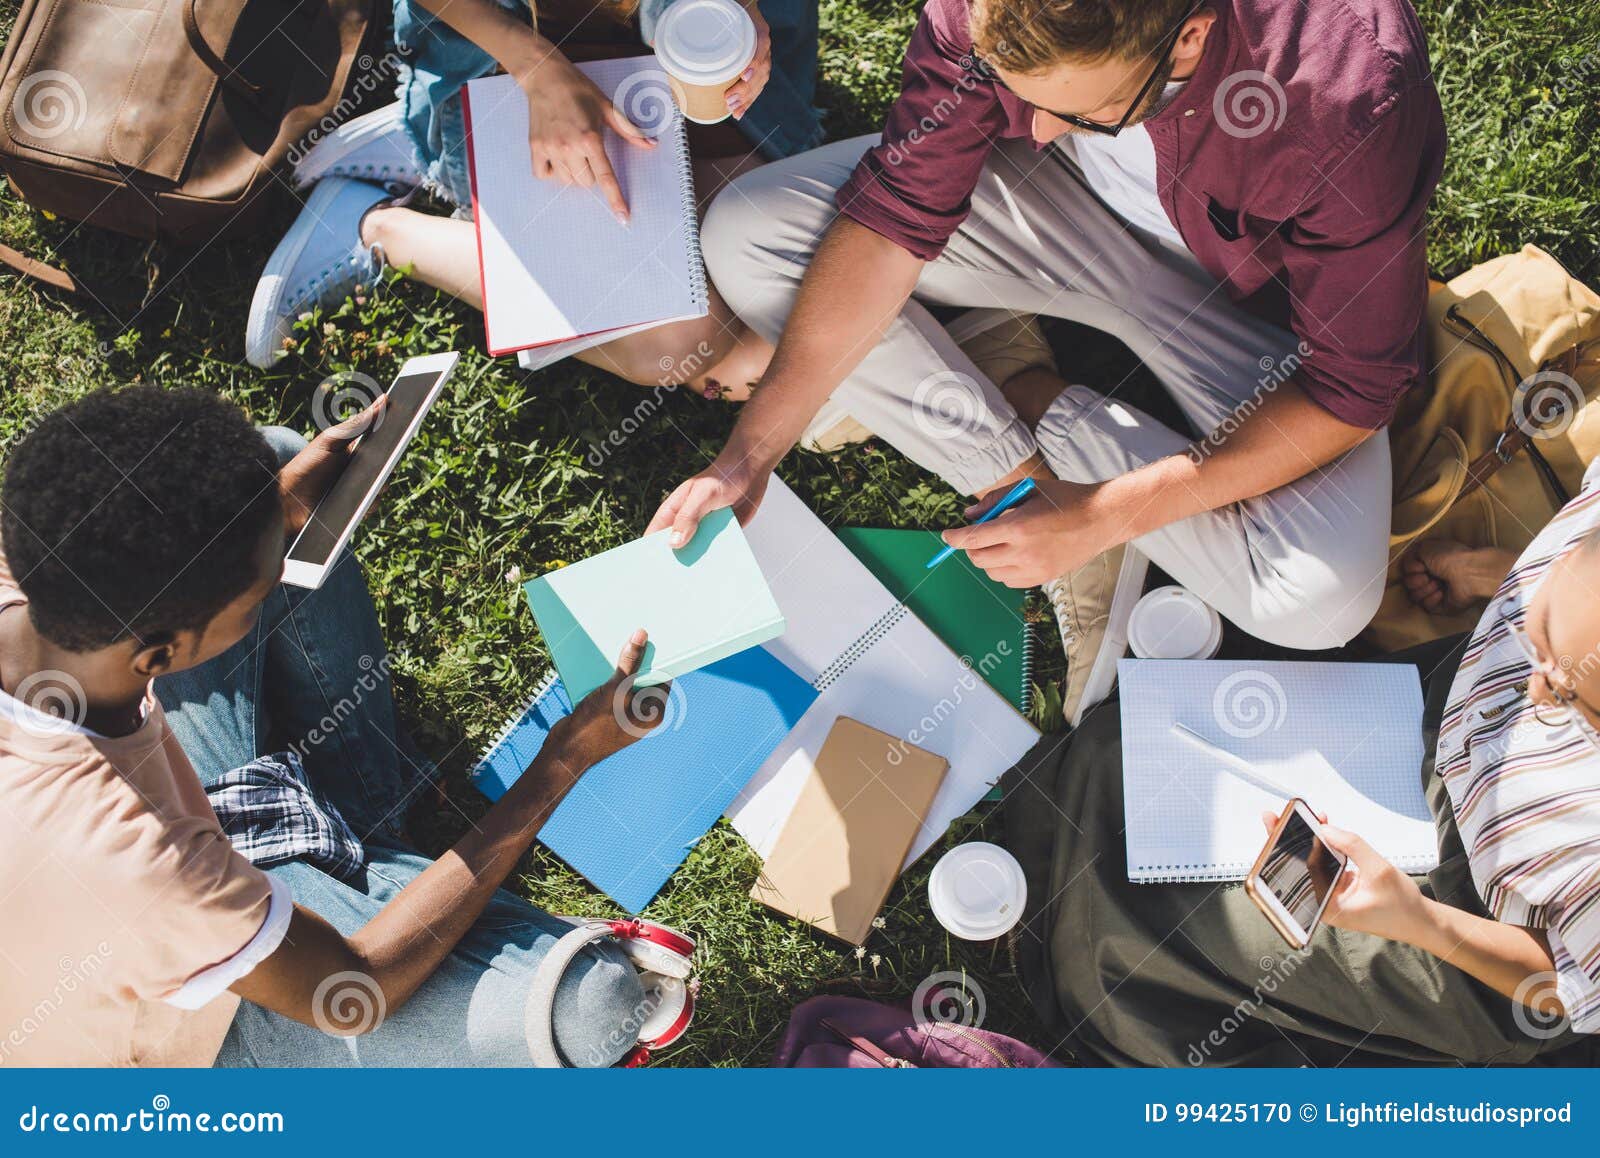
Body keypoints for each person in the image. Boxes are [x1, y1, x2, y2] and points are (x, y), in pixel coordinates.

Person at [649, 0, 1446, 723]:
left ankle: (1034, 409)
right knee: (746, 231)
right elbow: (897, 211)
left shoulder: (1349, 96)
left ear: (1192, 36)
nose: (1028, 127)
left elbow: (1351, 390)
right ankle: (1019, 487)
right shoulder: (1004, 25)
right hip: (1062, 206)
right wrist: (749, 456)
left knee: (1317, 606)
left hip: (1257, 311)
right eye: (1011, 89)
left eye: (1087, 110)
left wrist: (1106, 515)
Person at [0, 385, 661, 1067]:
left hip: (201, 853)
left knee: (281, 473)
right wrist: (563, 760)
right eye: (258, 595)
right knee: (596, 1004)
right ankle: (367, 855)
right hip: (205, 1022)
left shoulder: (34, 574)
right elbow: (360, 984)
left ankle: (361, 849)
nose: (276, 582)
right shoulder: (140, 861)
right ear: (159, 656)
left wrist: (268, 511)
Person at [1004, 459, 1600, 1066]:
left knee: (1161, 932)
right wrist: (1498, 577)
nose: (1538, 692)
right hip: (1439, 714)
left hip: (1474, 916)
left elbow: (1565, 987)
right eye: (1539, 641)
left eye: (1575, 700)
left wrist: (1418, 920)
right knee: (1144, 755)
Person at [246, 0, 823, 397]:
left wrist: (742, 8)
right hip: (508, 48)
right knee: (682, 344)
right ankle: (379, 227)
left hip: (681, 39)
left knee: (759, 352)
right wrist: (538, 71)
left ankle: (442, 151)